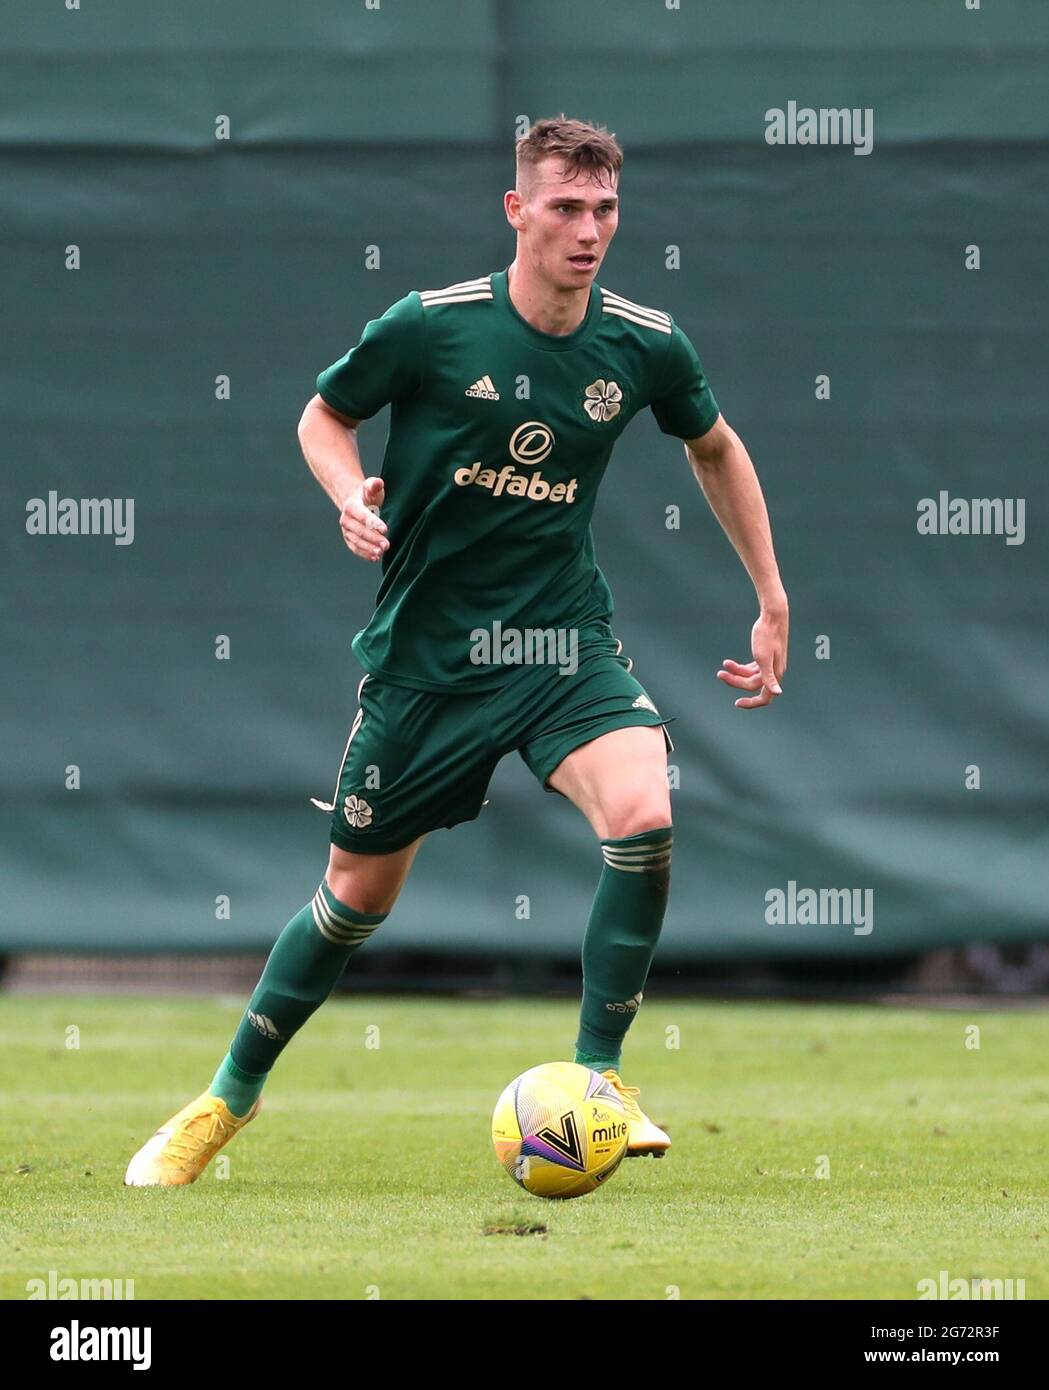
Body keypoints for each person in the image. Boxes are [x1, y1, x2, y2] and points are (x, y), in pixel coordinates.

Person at [125, 115, 788, 1187]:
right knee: (351, 901)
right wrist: (350, 495)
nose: (586, 230)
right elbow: (320, 417)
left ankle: (599, 1075)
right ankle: (224, 1098)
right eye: (564, 208)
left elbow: (713, 445)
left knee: (646, 812)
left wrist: (768, 594)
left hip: (561, 641)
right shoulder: (428, 326)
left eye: (604, 210)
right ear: (515, 211)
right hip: (427, 663)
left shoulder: (643, 342)